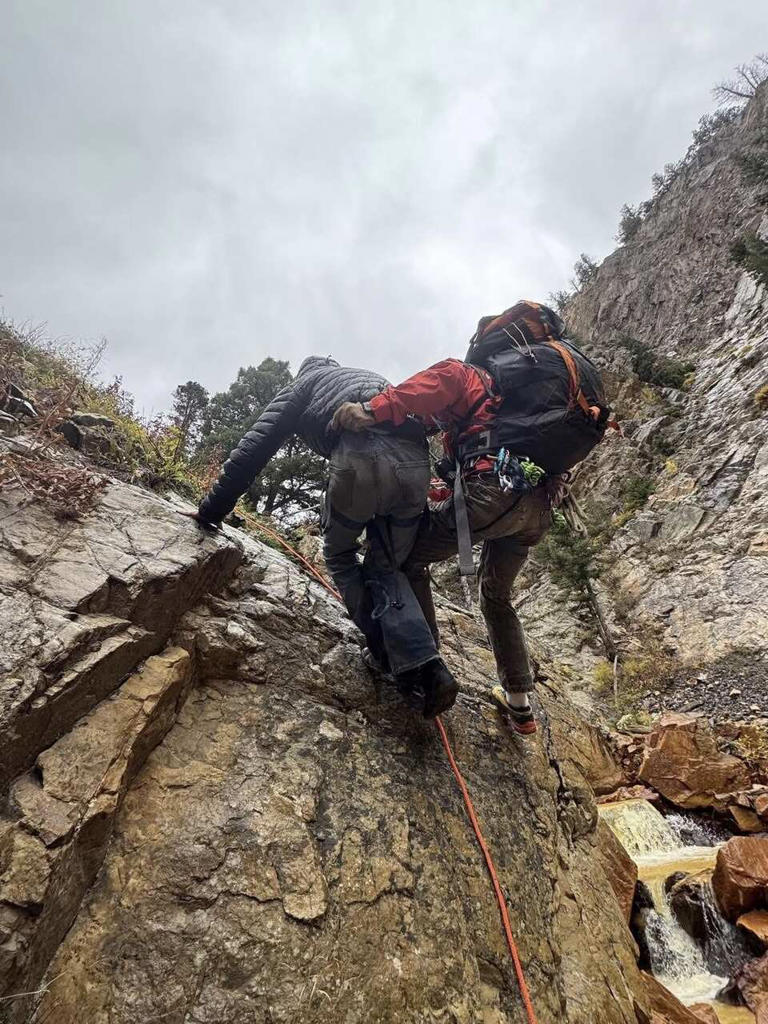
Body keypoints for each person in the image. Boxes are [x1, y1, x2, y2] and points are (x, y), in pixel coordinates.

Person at [333, 301, 615, 736]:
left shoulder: (468, 376)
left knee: (402, 559)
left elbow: (431, 386)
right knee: (496, 596)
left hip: (491, 498)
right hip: (536, 509)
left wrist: (371, 410)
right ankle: (520, 705)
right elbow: (465, 462)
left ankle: (425, 667)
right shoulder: (519, 406)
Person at [190, 356, 459, 718]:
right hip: (415, 466)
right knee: (388, 565)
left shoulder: (301, 386)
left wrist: (210, 512)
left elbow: (254, 448)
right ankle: (430, 669)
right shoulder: (368, 375)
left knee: (340, 555)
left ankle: (385, 651)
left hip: (360, 457)